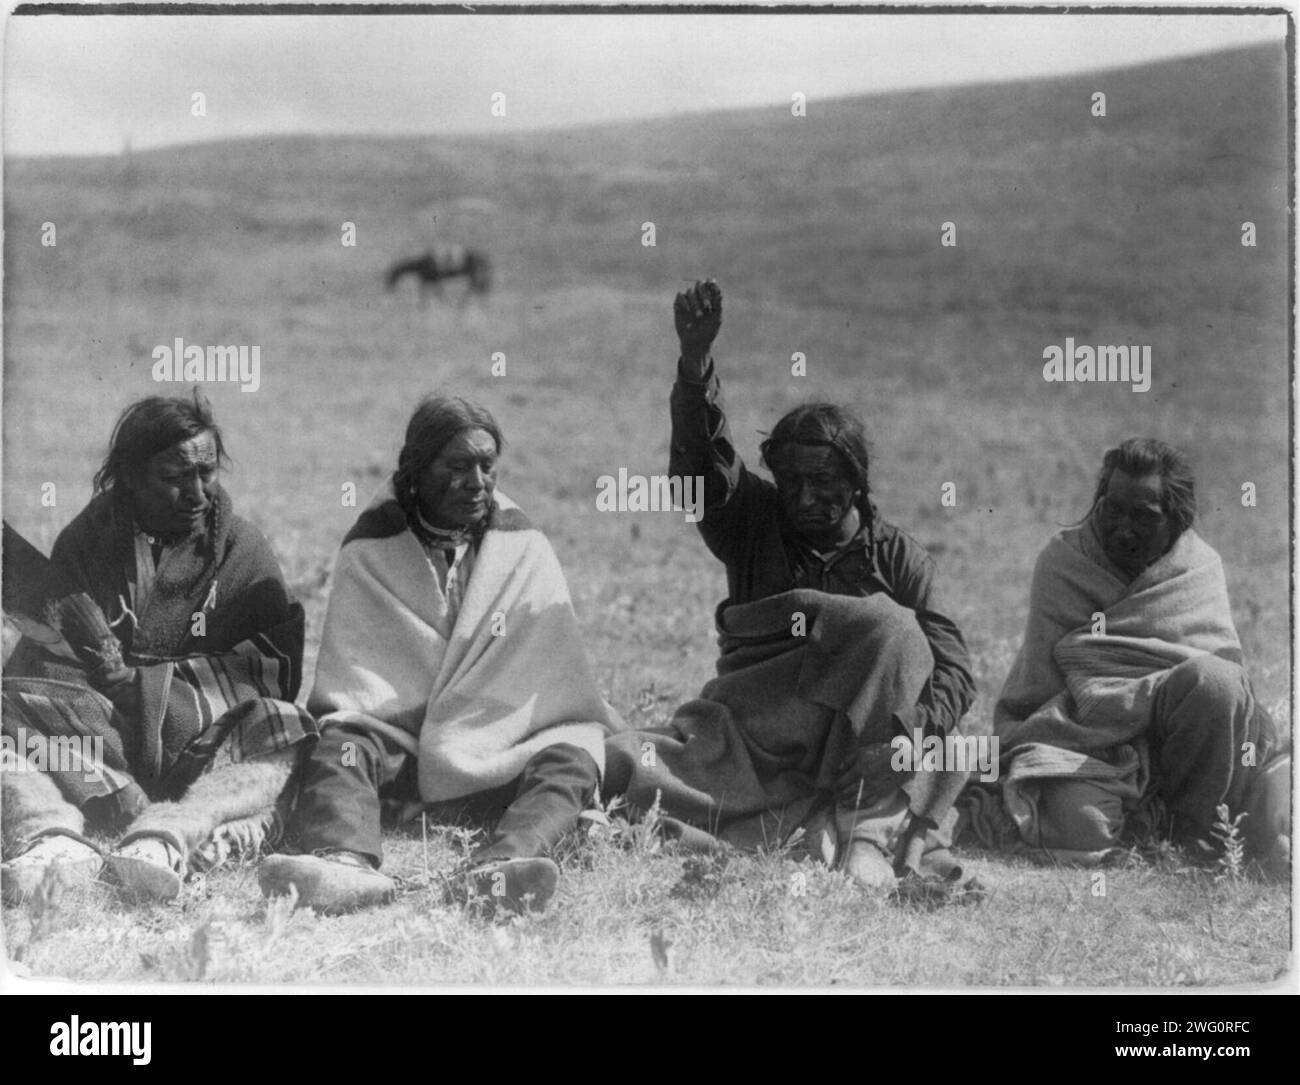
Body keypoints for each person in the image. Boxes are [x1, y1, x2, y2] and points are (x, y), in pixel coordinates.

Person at [603, 280, 981, 893]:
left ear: (856, 481)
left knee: (917, 679)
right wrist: (696, 363)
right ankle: (838, 828)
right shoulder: (753, 521)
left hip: (864, 750)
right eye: (792, 482)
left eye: (824, 482)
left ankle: (859, 830)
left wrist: (907, 739)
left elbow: (954, 670)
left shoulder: (899, 558)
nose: (805, 498)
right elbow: (703, 467)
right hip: (759, 738)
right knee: (631, 767)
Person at [258, 396, 620, 915]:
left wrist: (480, 729)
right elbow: (360, 685)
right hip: (401, 744)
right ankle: (343, 862)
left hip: (502, 743)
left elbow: (548, 669)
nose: (477, 481)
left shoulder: (524, 548)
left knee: (572, 755)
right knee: (340, 740)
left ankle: (500, 869)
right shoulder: (372, 550)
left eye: (487, 466)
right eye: (457, 466)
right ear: (417, 471)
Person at [1, 391, 316, 905]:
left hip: (204, 745)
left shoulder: (242, 550)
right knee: (8, 711)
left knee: (285, 727)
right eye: (175, 478)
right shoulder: (86, 541)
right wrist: (104, 682)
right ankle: (53, 839)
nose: (198, 493)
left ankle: (169, 835)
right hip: (104, 742)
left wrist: (150, 690)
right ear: (129, 477)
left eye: (207, 473)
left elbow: (270, 666)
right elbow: (51, 661)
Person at [976, 438, 1289, 871]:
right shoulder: (1063, 562)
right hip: (1089, 746)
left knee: (1216, 682)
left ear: (1176, 521)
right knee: (1079, 825)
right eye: (1113, 510)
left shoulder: (1198, 568)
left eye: (1144, 517)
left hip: (1187, 751)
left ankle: (1193, 834)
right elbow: (1036, 692)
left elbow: (1227, 699)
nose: (1124, 528)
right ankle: (1146, 820)